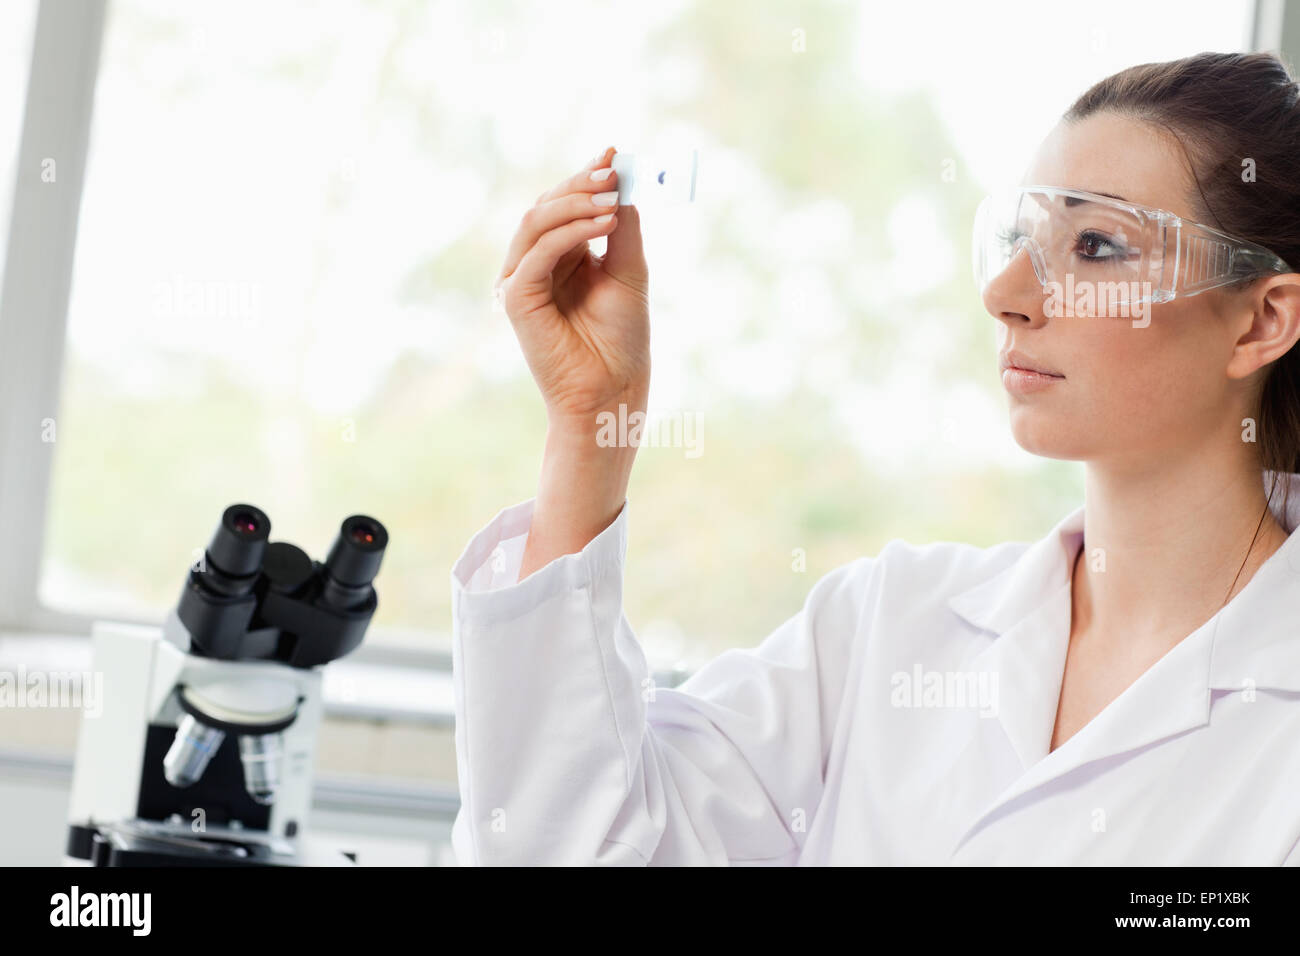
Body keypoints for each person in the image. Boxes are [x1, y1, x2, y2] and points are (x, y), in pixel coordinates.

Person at [449, 51, 1300, 865]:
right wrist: (590, 423)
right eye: (1019, 238)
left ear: (1261, 322)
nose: (1006, 296)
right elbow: (559, 850)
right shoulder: (885, 629)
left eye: (1097, 246)